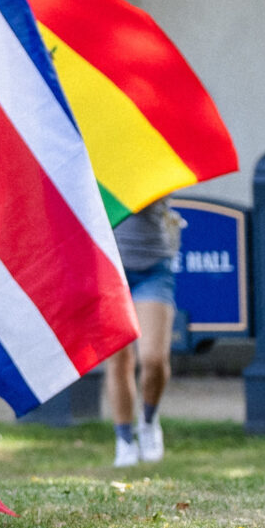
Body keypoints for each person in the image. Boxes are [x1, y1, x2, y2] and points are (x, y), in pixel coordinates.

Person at [110, 198, 182, 467]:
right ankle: (124, 439)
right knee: (119, 359)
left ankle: (148, 421)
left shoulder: (149, 161)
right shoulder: (95, 164)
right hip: (109, 267)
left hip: (153, 267)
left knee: (153, 359)